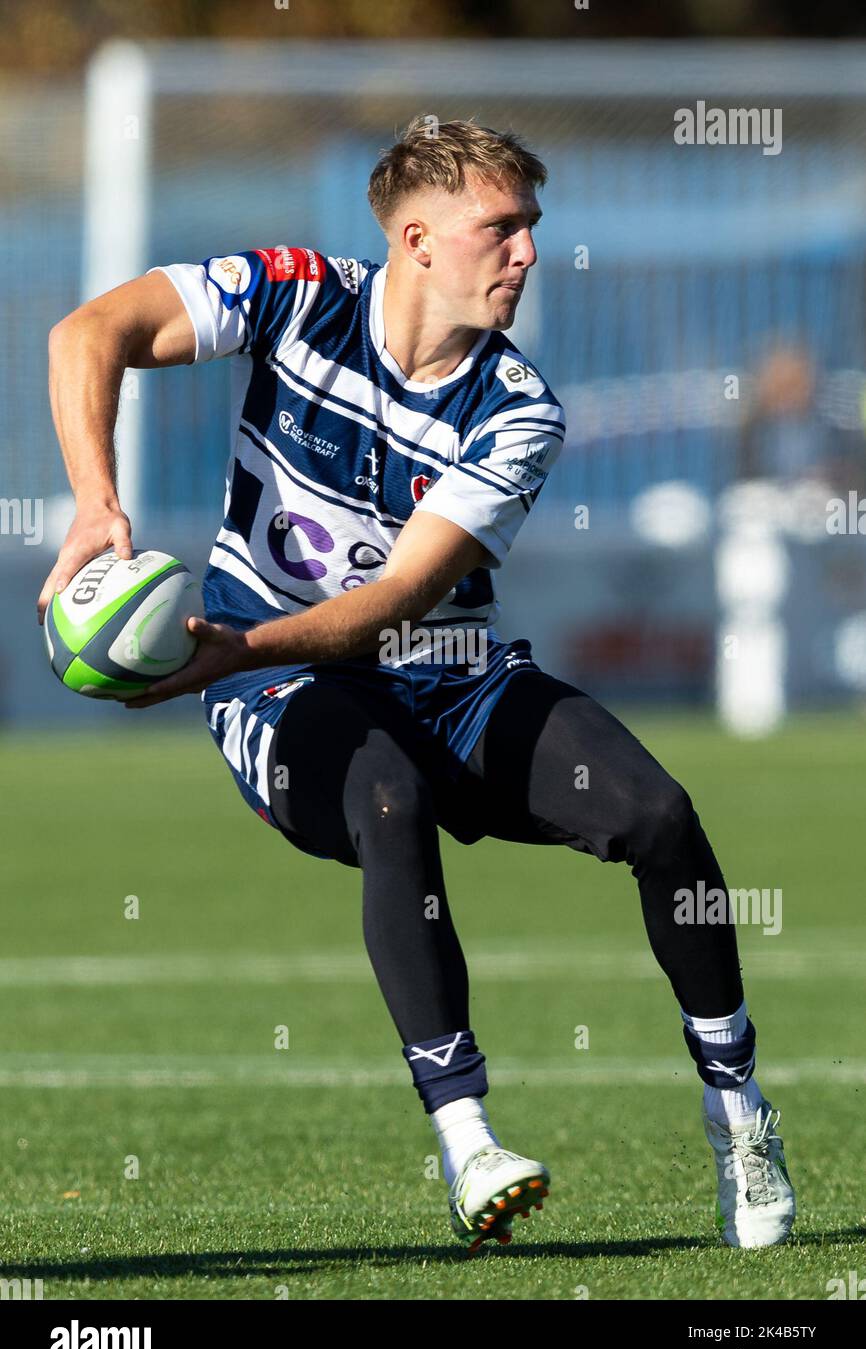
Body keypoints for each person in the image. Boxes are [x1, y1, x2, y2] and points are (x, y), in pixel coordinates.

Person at [38, 117, 795, 1252]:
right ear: (417, 238)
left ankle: (737, 1108)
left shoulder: (519, 408)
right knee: (385, 793)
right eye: (503, 227)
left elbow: (394, 602)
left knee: (658, 815)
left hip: (445, 673)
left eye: (532, 228)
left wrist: (227, 644)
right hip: (285, 691)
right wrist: (96, 501)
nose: (527, 253)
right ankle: (467, 1138)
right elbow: (87, 332)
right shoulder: (291, 294)